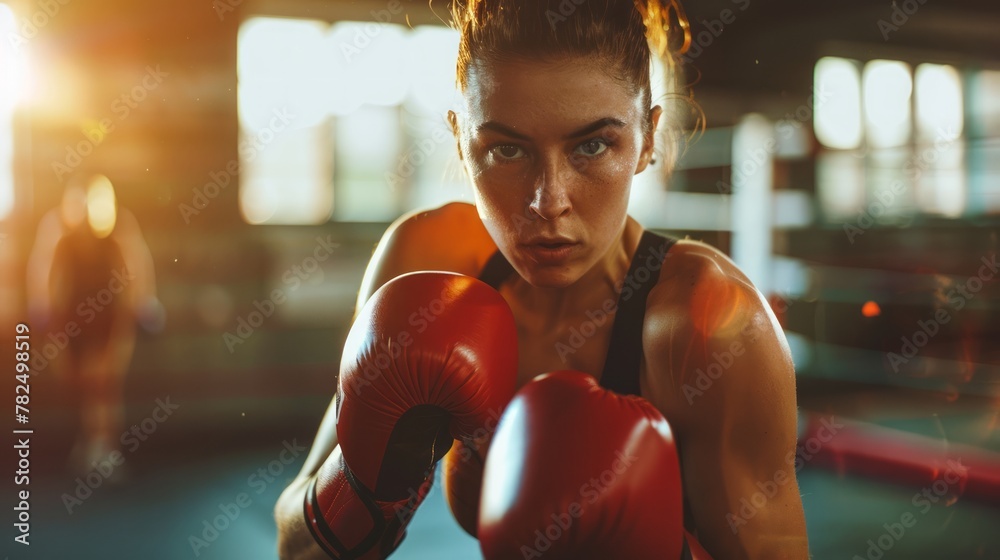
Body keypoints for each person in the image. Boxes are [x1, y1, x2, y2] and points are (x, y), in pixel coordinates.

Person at [275, 0, 809, 558]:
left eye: (593, 145)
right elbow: (296, 547)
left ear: (648, 139)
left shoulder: (708, 326)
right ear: (461, 140)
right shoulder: (431, 265)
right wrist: (372, 483)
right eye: (506, 149)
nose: (547, 202)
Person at [26, 174, 163, 475]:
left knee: (104, 386)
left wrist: (144, 304)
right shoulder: (59, 229)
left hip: (108, 320)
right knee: (83, 385)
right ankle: (89, 444)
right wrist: (43, 309)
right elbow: (45, 271)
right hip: (73, 320)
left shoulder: (118, 228)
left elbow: (136, 267)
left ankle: (103, 448)